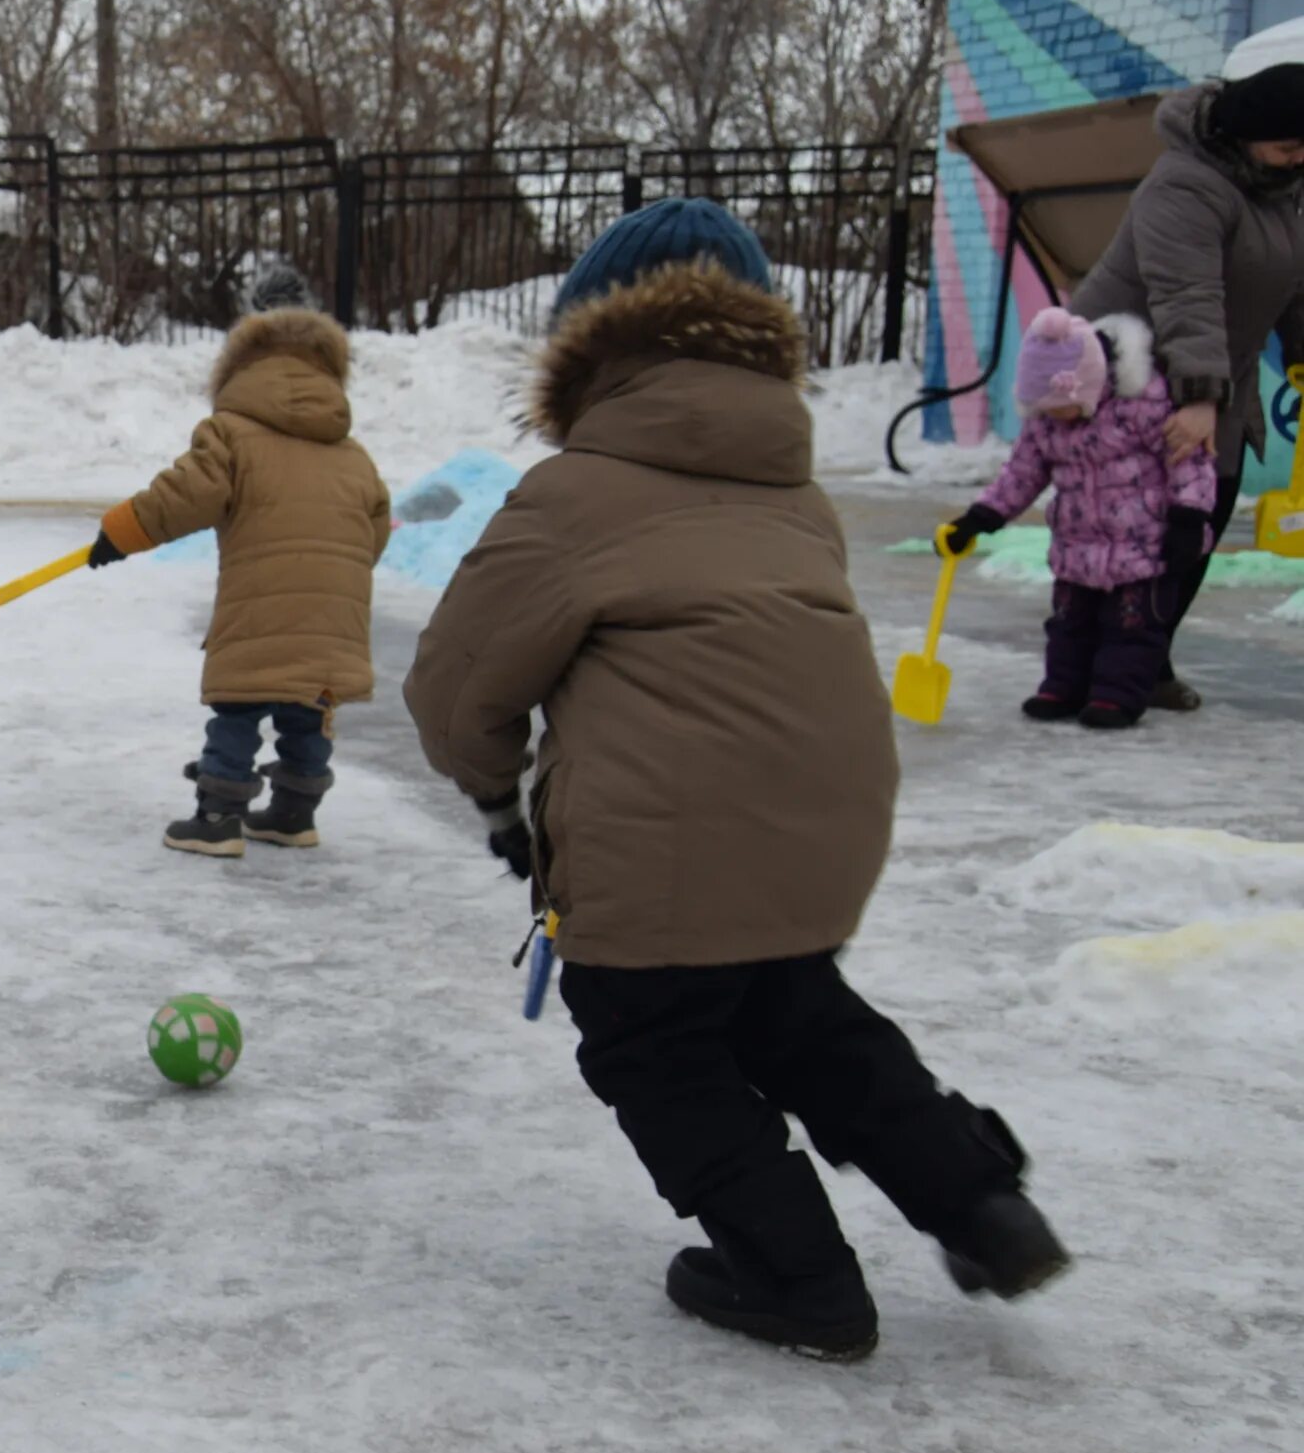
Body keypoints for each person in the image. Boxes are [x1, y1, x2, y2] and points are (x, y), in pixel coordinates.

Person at [405, 198, 1068, 1362]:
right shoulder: (797, 493)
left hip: (669, 849)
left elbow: (455, 696)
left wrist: (502, 806)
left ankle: (798, 1277)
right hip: (829, 831)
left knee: (652, 1043)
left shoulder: (572, 497)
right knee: (796, 1014)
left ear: (587, 347)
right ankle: (982, 1205)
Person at [83, 306, 391, 857]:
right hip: (332, 616)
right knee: (309, 710)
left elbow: (186, 495)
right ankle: (294, 815)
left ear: (242, 370)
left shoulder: (231, 434)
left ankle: (218, 817)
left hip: (259, 607)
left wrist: (120, 533)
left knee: (240, 705)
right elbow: (374, 533)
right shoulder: (354, 456)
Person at [1067, 62, 1304, 709]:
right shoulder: (1184, 185)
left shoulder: (1283, 187)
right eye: (1289, 145)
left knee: (1204, 519)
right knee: (1145, 529)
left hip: (1214, 373)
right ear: (1247, 135)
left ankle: (1144, 659)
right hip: (1131, 378)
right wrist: (1198, 399)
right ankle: (1100, 668)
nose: (1299, 158)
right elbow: (1187, 296)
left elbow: (1296, 284)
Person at [941, 308, 1219, 729]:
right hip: (1077, 548)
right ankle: (1063, 687)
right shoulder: (1044, 422)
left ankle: (1116, 697)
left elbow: (1188, 462)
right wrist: (979, 518)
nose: (1053, 416)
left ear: (1089, 386)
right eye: (1043, 407)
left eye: (1061, 406)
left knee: (1131, 628)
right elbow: (1021, 474)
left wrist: (1189, 518)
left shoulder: (1143, 404)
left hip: (1143, 546)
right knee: (1068, 625)